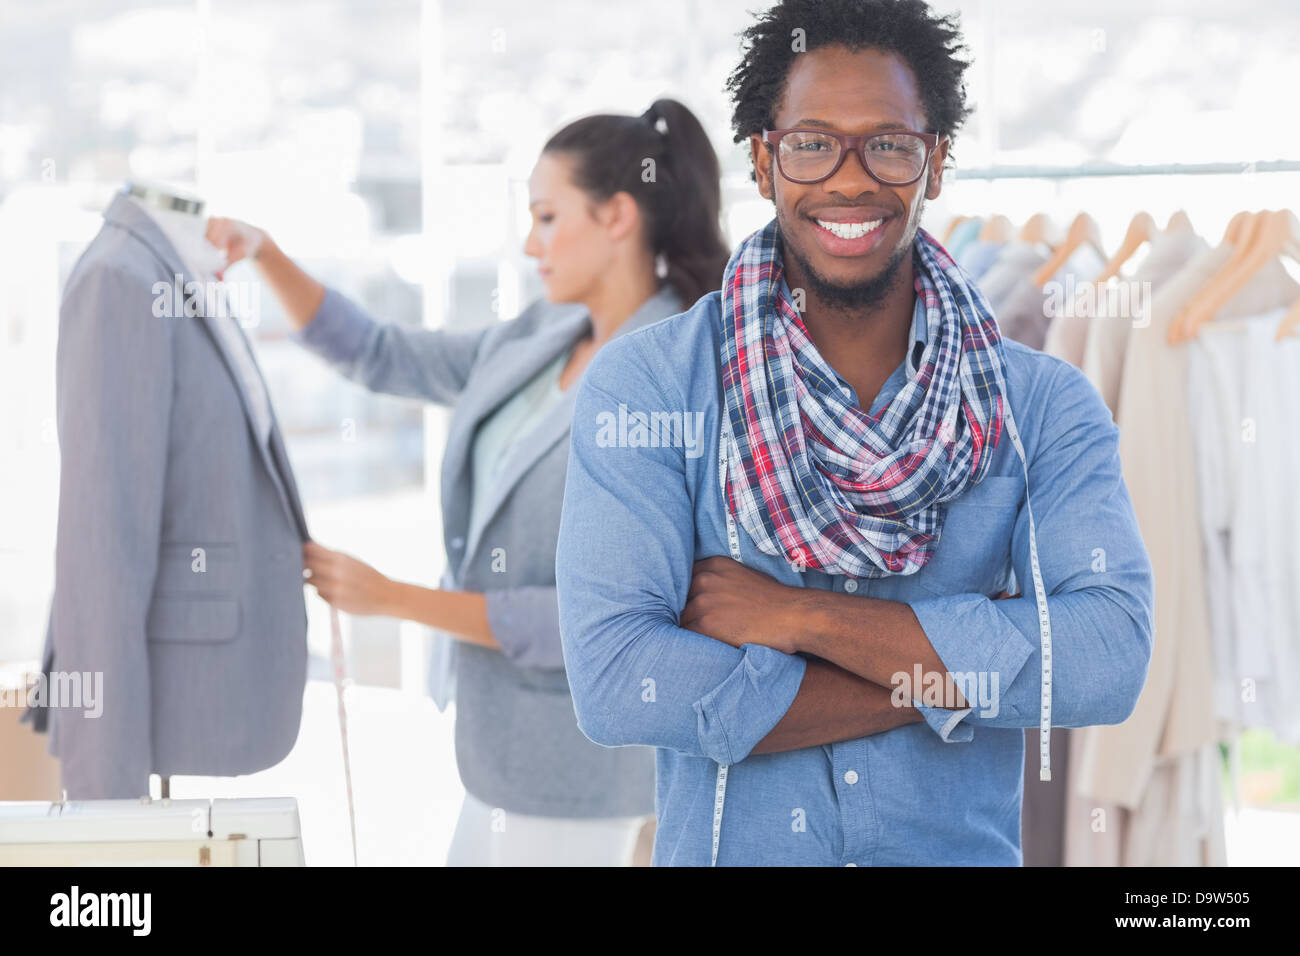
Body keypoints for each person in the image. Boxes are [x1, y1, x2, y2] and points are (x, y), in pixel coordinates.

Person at [555, 0, 1155, 866]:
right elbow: (620, 684)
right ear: (762, 162)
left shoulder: (1042, 409)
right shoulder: (651, 385)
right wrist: (952, 672)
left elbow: (1107, 660)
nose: (848, 179)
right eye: (809, 142)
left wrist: (800, 618)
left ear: (935, 162)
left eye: (888, 143)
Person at [206, 98, 730, 866]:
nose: (529, 243)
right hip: (503, 752)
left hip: (590, 776)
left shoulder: (678, 372)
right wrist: (267, 253)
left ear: (617, 216)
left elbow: (616, 617)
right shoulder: (541, 337)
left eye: (547, 217)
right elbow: (382, 352)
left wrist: (394, 601)